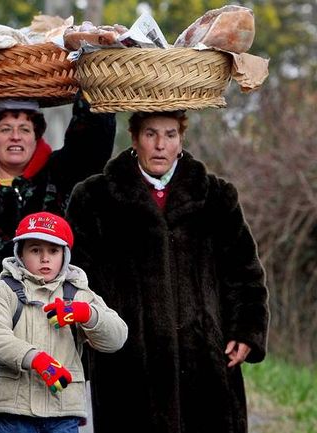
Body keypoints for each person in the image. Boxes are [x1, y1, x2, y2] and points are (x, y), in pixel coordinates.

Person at [65, 110, 270, 433]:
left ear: (181, 139)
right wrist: (93, 332)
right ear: (134, 139)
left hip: (204, 362)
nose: (160, 145)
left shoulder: (216, 197)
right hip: (128, 363)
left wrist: (246, 331)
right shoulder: (94, 198)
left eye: (170, 134)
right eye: (151, 134)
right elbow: (77, 276)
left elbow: (245, 273)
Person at [0, 98, 115, 391]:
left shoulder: (60, 177)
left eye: (24, 129)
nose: (15, 137)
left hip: (54, 328)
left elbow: (92, 140)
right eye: (5, 129)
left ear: (37, 137)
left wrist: (87, 83)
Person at [0, 211, 127, 433]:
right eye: (35, 250)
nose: (45, 258)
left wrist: (87, 314)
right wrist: (36, 359)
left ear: (65, 255)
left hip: (63, 412)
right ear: (20, 253)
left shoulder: (78, 292)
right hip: (12, 411)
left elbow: (117, 338)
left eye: (53, 250)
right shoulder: (3, 290)